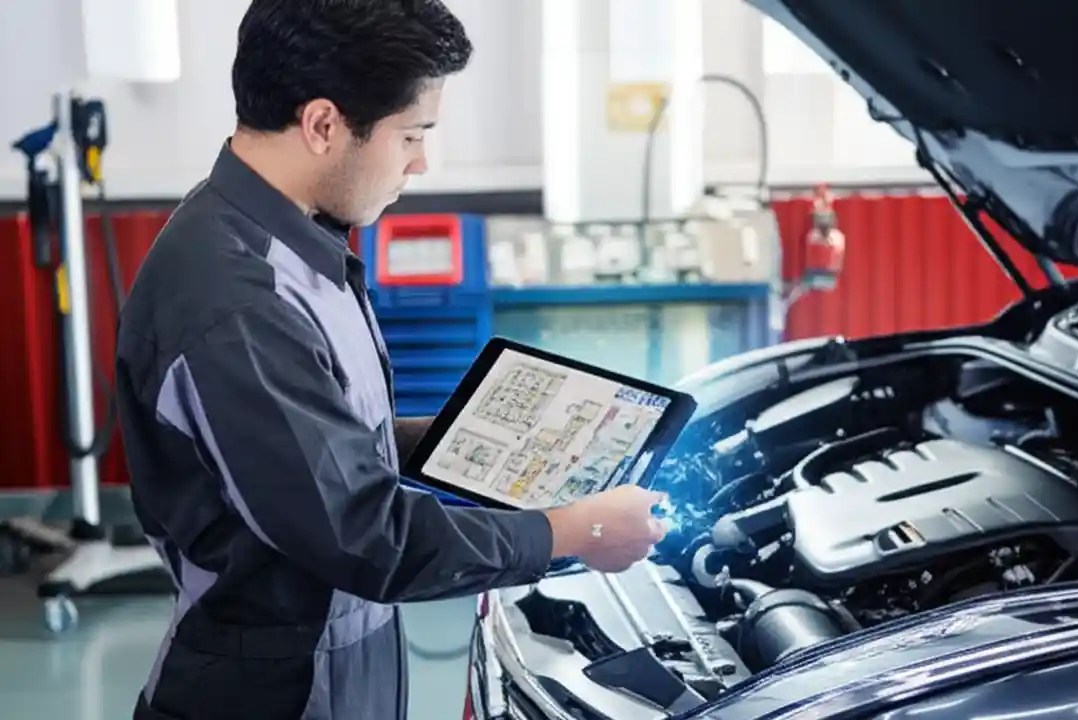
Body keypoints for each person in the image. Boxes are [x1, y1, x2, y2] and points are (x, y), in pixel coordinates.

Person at [115, 1, 668, 718]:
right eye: (411, 134)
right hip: (269, 692)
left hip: (344, 662)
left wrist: (474, 442)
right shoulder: (237, 300)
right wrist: (576, 532)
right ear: (322, 125)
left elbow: (319, 444)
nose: (420, 161)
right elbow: (365, 536)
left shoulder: (287, 236)